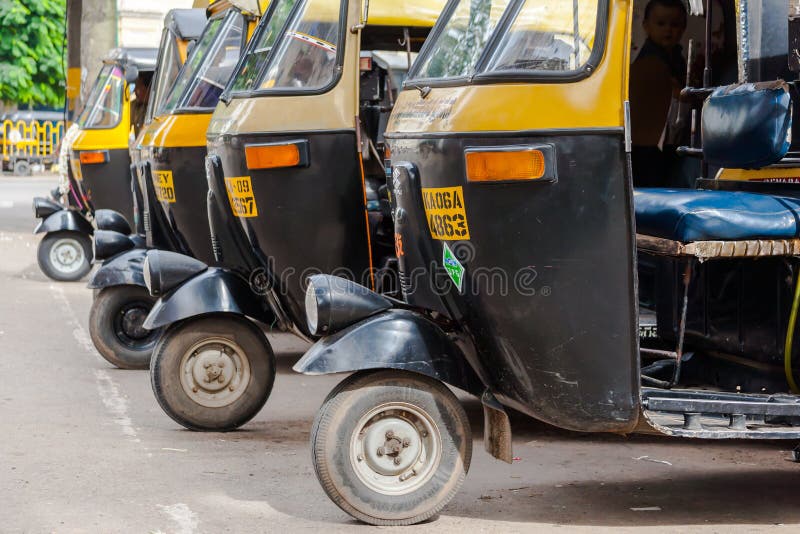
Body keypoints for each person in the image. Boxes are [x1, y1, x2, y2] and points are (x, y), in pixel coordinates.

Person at [629, 0, 688, 188]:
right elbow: (674, 92)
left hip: (664, 134)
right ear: (646, 26)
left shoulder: (676, 56)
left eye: (675, 25)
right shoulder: (650, 60)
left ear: (684, 27)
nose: (668, 30)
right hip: (646, 141)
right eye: (661, 24)